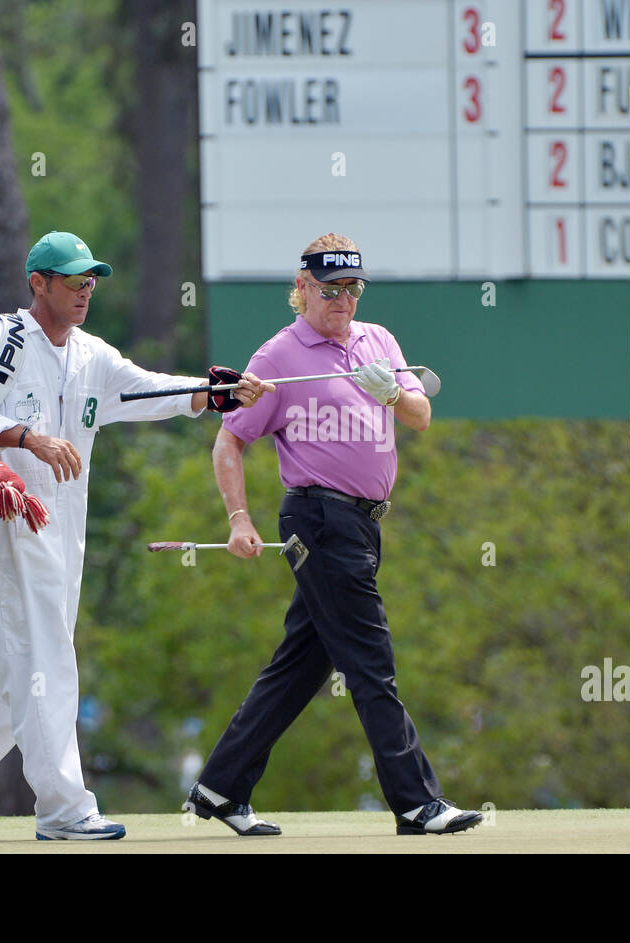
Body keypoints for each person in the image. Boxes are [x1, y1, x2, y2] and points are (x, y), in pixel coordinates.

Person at [0, 231, 273, 840]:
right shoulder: (3, 340)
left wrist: (216, 393)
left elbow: (150, 389)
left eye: (90, 282)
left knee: (25, 662)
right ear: (37, 284)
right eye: (72, 282)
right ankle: (64, 809)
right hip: (12, 524)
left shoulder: (93, 354)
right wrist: (29, 437)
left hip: (66, 535)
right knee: (47, 660)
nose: (84, 293)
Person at [184, 233, 482, 837]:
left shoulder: (380, 341)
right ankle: (417, 803)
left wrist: (392, 391)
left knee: (300, 666)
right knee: (372, 664)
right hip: (318, 519)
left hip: (365, 524)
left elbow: (421, 416)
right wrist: (239, 519)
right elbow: (230, 441)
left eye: (352, 288)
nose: (342, 300)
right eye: (329, 289)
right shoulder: (278, 356)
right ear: (301, 290)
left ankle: (219, 788)